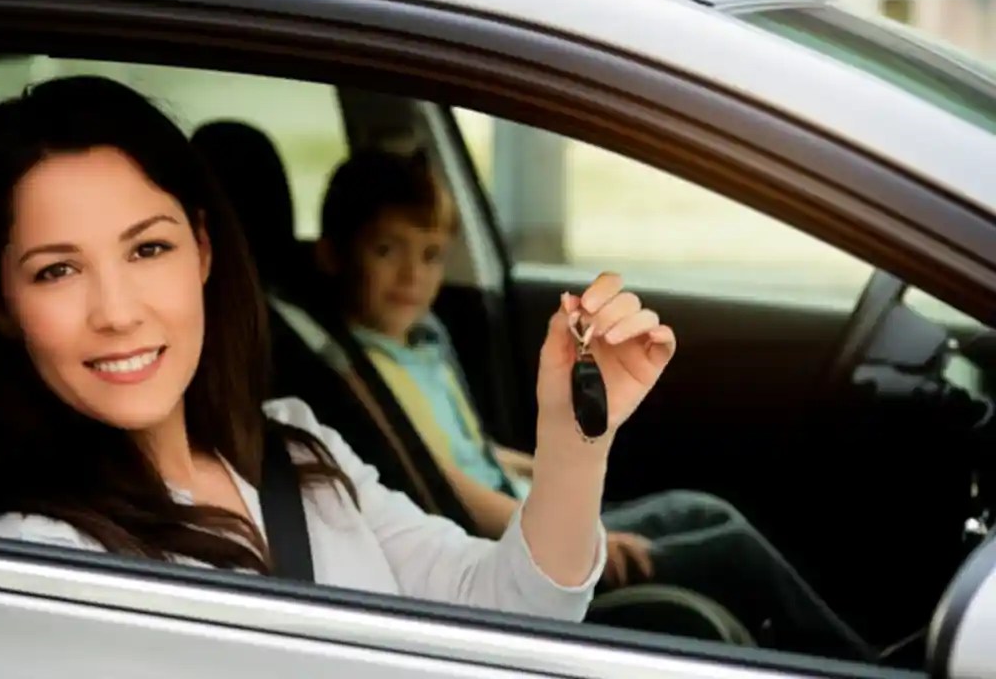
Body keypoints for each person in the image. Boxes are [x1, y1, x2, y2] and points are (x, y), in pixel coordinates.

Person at [0, 75, 676, 621]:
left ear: (203, 252)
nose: (117, 312)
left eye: (148, 249)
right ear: (1, 304)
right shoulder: (34, 556)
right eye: (57, 270)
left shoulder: (298, 447)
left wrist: (577, 435)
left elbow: (514, 609)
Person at [314, 149, 875, 661]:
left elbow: (474, 450)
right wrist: (588, 535)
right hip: (514, 547)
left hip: (528, 507)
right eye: (387, 250)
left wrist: (550, 467)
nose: (413, 275)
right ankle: (867, 666)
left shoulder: (423, 345)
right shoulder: (355, 374)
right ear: (333, 255)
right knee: (732, 555)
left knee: (700, 508)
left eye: (432, 255)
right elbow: (447, 481)